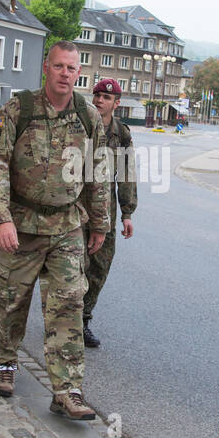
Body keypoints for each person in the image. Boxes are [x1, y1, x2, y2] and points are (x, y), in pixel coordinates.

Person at [0, 42, 109, 420]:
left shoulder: (87, 115)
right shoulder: (19, 109)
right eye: (59, 67)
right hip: (20, 223)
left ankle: (66, 390)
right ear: (46, 69)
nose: (66, 74)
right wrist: (0, 218)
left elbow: (98, 173)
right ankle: (5, 363)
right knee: (12, 298)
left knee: (68, 303)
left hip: (68, 224)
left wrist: (99, 222)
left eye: (72, 68)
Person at [83, 79, 137, 348]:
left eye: (105, 97)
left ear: (117, 103)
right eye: (96, 95)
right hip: (76, 206)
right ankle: (63, 321)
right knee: (71, 266)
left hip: (105, 212)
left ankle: (82, 319)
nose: (99, 100)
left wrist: (128, 213)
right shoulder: (79, 124)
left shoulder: (122, 134)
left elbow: (126, 174)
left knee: (99, 266)